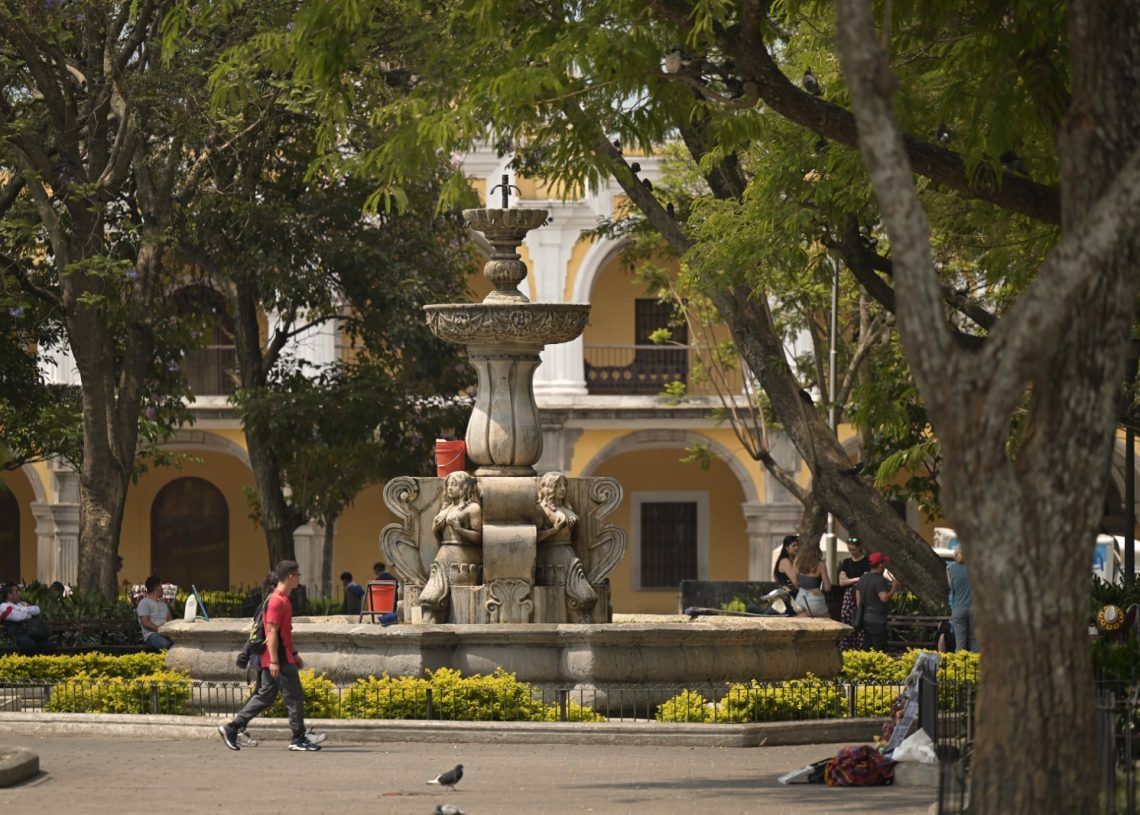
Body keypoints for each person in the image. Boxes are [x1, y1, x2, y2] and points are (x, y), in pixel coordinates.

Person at [218, 561, 323, 752]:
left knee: (265, 696)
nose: (299, 579)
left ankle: (232, 727)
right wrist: (275, 660)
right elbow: (272, 632)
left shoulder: (281, 599)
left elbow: (284, 633)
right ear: (290, 577)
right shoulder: (277, 601)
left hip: (280, 657)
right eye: (297, 575)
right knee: (294, 697)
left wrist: (294, 654)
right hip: (279, 659)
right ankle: (298, 738)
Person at [855, 551, 901, 652]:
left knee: (866, 647)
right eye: (884, 563)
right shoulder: (879, 579)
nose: (885, 565)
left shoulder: (862, 578)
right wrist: (894, 587)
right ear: (880, 564)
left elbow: (858, 602)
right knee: (878, 649)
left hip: (865, 619)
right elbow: (884, 598)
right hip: (878, 620)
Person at [0, 583, 56, 654]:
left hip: (31, 633)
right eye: (16, 591)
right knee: (29, 644)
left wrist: (21, 609)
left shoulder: (21, 604)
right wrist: (28, 613)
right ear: (9, 595)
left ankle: (42, 661)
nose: (19, 593)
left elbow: (36, 609)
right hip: (16, 636)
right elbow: (18, 617)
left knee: (49, 645)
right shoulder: (4, 607)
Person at [838, 536, 870, 649]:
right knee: (846, 618)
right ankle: (846, 645)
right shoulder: (846, 562)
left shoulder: (866, 562)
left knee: (860, 619)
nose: (852, 552)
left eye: (854, 549)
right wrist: (857, 579)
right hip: (848, 595)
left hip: (862, 594)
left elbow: (865, 580)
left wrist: (849, 580)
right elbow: (842, 582)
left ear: (859, 547)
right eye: (849, 550)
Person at [791, 539, 832, 617]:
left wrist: (802, 588)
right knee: (827, 619)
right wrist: (820, 590)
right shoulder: (821, 565)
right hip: (815, 598)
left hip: (800, 597)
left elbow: (795, 582)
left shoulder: (797, 562)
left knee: (802, 621)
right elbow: (828, 588)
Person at [947, 547, 977, 652]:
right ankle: (975, 661)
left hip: (958, 608)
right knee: (974, 639)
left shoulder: (950, 568)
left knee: (960, 642)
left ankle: (960, 661)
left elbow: (951, 587)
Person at [137, 575, 173, 650]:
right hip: (151, 634)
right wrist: (160, 629)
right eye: (161, 587)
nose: (162, 590)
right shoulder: (144, 602)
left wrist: (168, 630)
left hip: (166, 633)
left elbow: (170, 620)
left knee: (179, 644)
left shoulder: (163, 604)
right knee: (166, 645)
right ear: (157, 588)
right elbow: (145, 622)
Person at [772, 534, 800, 616]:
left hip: (786, 598)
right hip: (786, 599)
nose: (797, 548)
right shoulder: (785, 561)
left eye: (798, 545)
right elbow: (795, 581)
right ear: (786, 547)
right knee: (765, 614)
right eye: (793, 545)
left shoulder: (790, 560)